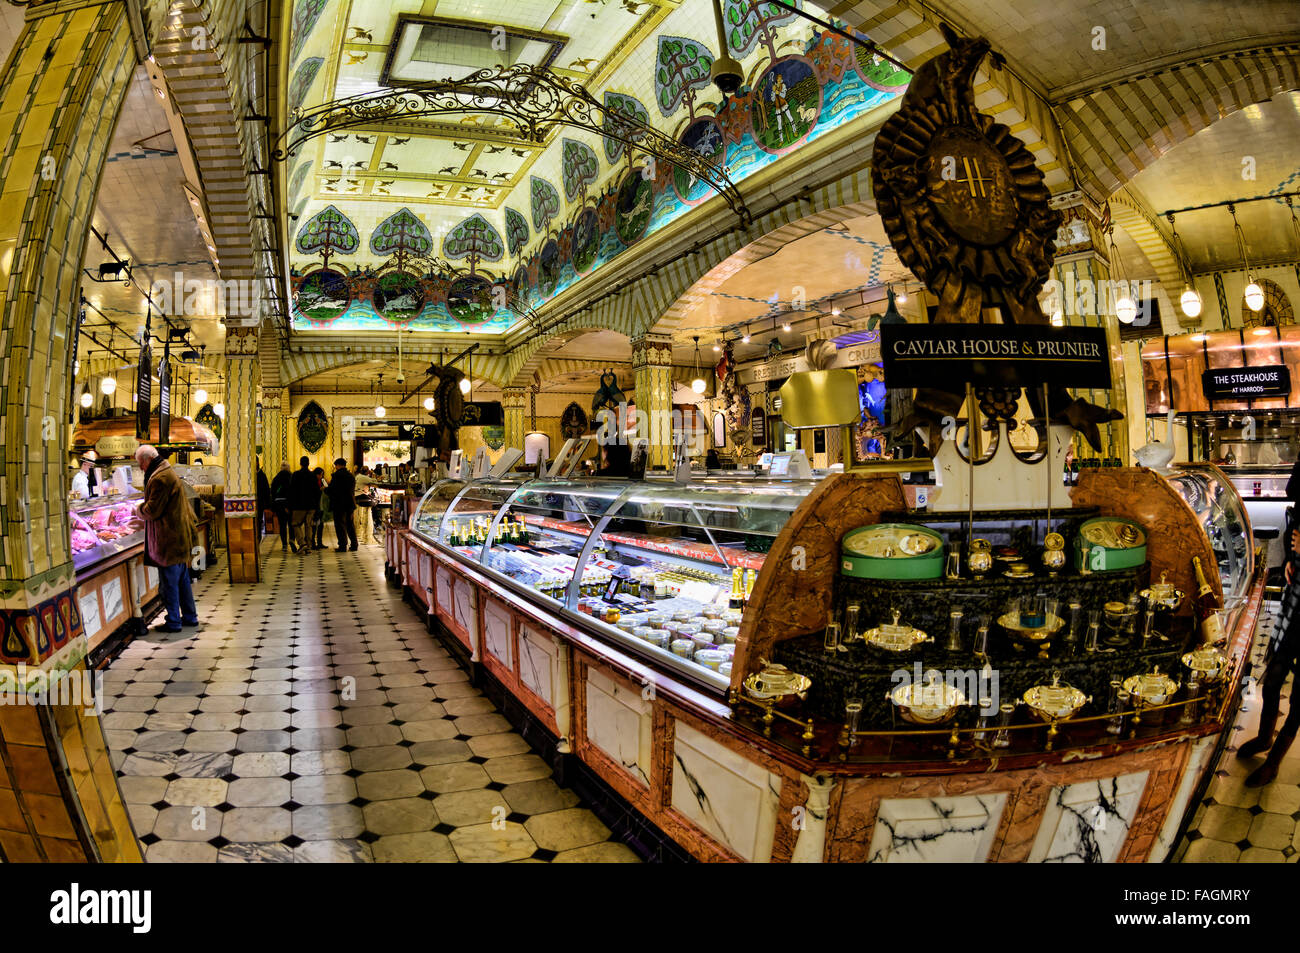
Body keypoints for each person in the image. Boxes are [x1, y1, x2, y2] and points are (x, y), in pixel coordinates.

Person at [1238, 522, 1300, 786]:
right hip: (1295, 603)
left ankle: (1273, 763)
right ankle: (1265, 738)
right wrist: (1291, 558)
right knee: (1273, 678)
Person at [134, 445, 198, 632]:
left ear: (147, 460)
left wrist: (137, 509)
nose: (140, 468)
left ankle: (174, 622)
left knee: (169, 584)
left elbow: (152, 510)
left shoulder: (160, 478)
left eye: (140, 463)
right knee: (182, 582)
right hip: (177, 538)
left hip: (168, 540)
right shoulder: (165, 471)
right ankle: (190, 616)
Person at [289, 456, 318, 555]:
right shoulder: (313, 475)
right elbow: (316, 491)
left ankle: (302, 543)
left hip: (299, 505)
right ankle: (309, 546)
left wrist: (290, 505)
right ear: (308, 463)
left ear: (300, 463)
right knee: (308, 525)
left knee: (295, 524)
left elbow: (292, 490)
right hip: (311, 505)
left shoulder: (296, 474)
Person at [328, 458, 358, 552]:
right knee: (350, 525)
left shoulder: (336, 476)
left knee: (340, 525)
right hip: (349, 503)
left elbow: (332, 490)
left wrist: (325, 489)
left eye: (335, 465)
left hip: (339, 504)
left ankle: (342, 545)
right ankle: (354, 545)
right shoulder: (351, 476)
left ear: (338, 465)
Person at [270, 462, 292, 551]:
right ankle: (292, 540)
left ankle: (284, 545)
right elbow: (293, 492)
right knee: (291, 524)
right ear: (288, 468)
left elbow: (273, 492)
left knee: (282, 525)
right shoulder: (291, 477)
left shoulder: (276, 478)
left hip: (279, 504)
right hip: (290, 504)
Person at [354, 465, 376, 544]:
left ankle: (362, 533)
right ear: (367, 472)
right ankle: (368, 536)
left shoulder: (358, 476)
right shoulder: (364, 477)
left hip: (356, 497)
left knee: (372, 499)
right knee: (374, 502)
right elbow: (375, 481)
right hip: (361, 498)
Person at [313, 467, 329, 549]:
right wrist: (320, 489)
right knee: (314, 525)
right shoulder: (313, 481)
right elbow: (313, 493)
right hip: (316, 505)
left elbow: (327, 489)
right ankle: (312, 542)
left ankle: (319, 542)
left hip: (322, 505)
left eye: (322, 474)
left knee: (321, 525)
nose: (321, 476)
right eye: (320, 474)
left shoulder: (322, 481)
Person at [255, 459, 271, 542]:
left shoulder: (262, 475)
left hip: (260, 503)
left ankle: (258, 539)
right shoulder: (248, 475)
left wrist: (267, 504)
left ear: (257, 462)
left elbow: (266, 490)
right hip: (251, 503)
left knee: (259, 521)